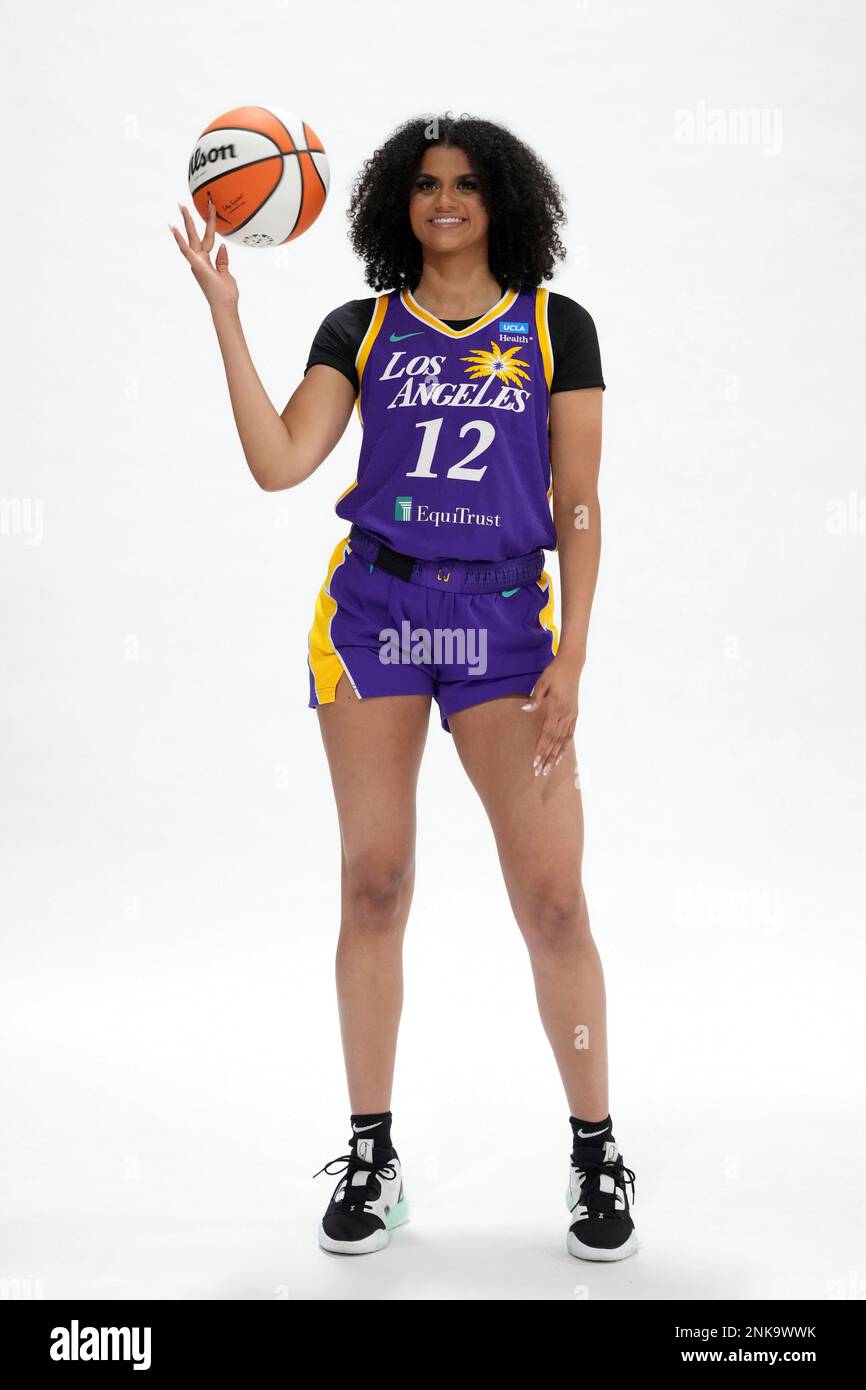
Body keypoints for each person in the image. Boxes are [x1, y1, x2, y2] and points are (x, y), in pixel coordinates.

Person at [170, 113, 637, 1262]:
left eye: (467, 184)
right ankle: (371, 1155)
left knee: (554, 902)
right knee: (373, 884)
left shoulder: (551, 326)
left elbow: (576, 504)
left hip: (502, 626)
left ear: (504, 201)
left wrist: (571, 655)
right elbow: (281, 461)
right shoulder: (363, 324)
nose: (444, 201)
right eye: (425, 184)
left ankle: (594, 1150)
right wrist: (227, 317)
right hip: (373, 613)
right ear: (393, 201)